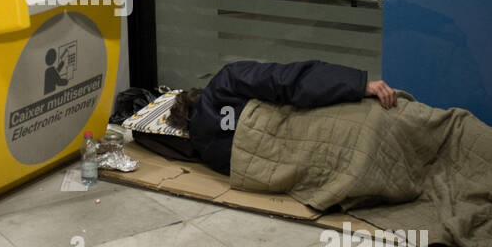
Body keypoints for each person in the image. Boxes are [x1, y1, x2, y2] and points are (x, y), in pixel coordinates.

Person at [165, 60, 396, 176]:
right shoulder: (225, 82)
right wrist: (357, 85)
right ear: (195, 96)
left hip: (329, 161)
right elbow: (288, 81)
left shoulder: (209, 154)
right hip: (342, 122)